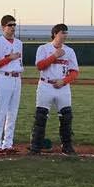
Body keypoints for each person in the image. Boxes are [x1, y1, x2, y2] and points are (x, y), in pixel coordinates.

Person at [31, 23, 79, 156]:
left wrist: (64, 81)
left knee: (66, 116)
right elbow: (40, 66)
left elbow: (75, 72)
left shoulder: (69, 51)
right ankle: (36, 146)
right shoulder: (43, 48)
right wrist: (55, 56)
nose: (65, 36)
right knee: (41, 116)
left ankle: (67, 146)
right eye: (62, 33)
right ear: (55, 34)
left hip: (62, 87)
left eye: (66, 33)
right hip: (45, 85)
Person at [0, 15, 24, 154]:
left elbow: (19, 63)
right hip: (3, 78)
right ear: (3, 27)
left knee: (13, 113)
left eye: (14, 25)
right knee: (0, 112)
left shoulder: (19, 43)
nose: (13, 27)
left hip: (16, 78)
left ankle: (8, 143)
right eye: (10, 25)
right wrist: (8, 58)